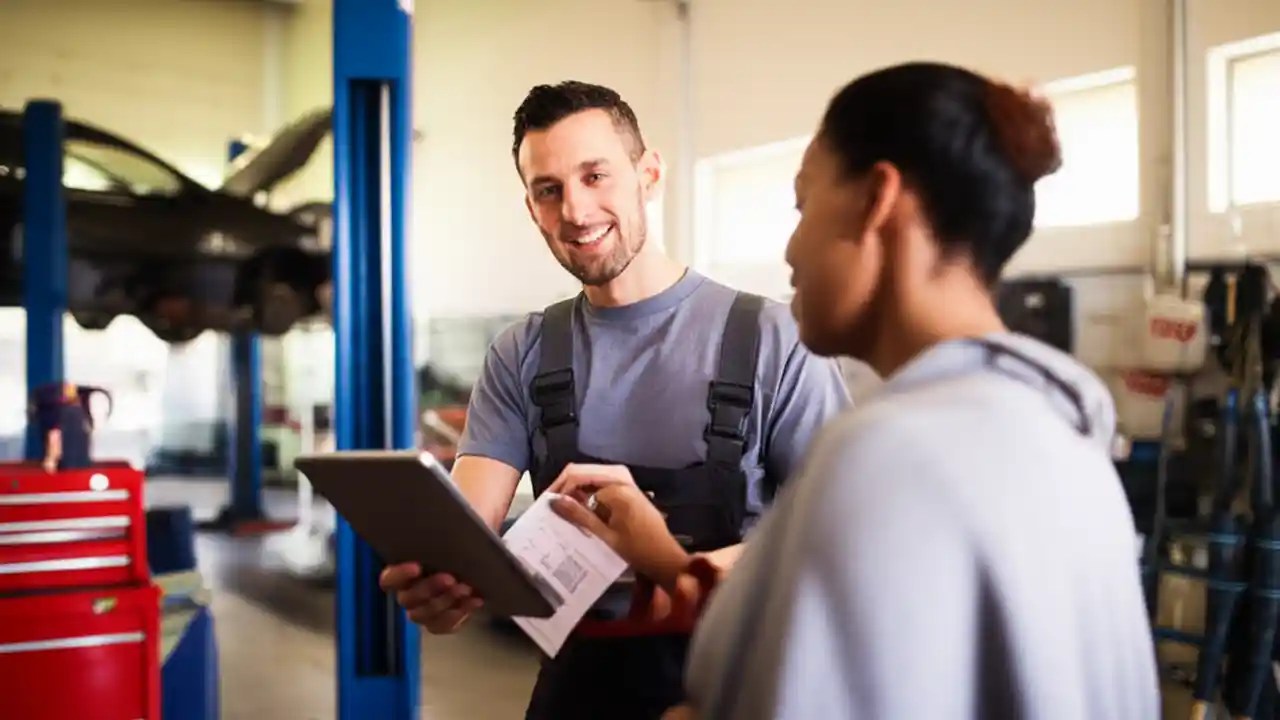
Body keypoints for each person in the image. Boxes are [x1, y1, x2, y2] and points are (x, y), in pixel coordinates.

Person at [549, 62, 1162, 719]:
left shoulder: (888, 452)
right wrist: (671, 563)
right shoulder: (1061, 429)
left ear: (877, 201)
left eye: (803, 205)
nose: (791, 249)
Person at [379, 80, 851, 719]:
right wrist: (443, 586)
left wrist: (681, 569)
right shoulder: (523, 353)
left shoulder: (773, 340)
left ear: (647, 174)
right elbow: (469, 529)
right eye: (550, 190)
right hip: (575, 691)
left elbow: (841, 537)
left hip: (734, 686)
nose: (575, 209)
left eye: (595, 175)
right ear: (531, 206)